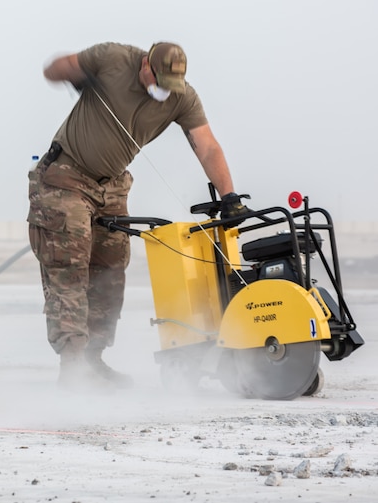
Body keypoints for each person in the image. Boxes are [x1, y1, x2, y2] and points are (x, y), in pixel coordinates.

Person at [27, 41, 248, 391]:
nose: (162, 90)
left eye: (170, 85)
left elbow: (206, 144)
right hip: (65, 177)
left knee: (111, 271)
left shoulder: (182, 96)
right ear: (145, 64)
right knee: (69, 270)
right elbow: (52, 69)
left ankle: (92, 360)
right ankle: (72, 369)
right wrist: (75, 75)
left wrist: (229, 196)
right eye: (157, 80)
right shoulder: (113, 59)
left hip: (112, 186)